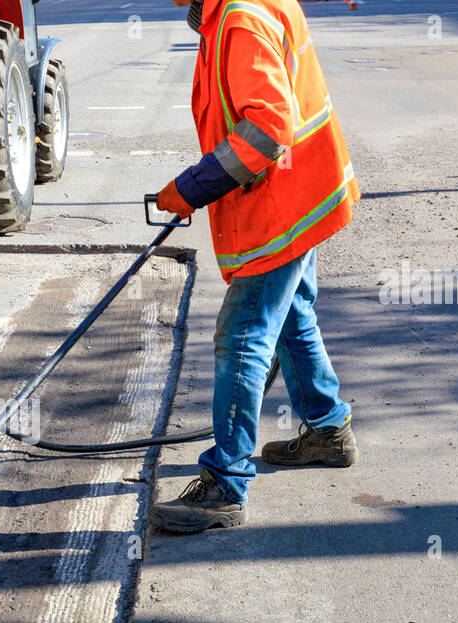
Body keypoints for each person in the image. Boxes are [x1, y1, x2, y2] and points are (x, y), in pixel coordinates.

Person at [148, 0, 362, 534]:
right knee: (291, 316)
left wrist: (192, 189)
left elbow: (266, 128)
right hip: (304, 193)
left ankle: (226, 484)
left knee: (243, 334)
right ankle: (327, 429)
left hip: (280, 209)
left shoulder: (240, 18)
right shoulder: (233, 11)